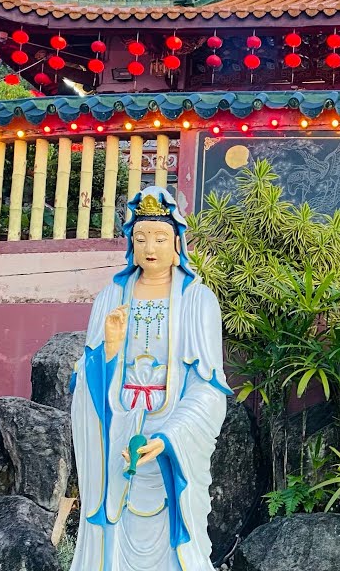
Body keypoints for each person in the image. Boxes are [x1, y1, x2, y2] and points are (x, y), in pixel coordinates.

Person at [69, 187, 230, 571]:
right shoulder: (111, 296)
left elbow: (209, 386)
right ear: (130, 244)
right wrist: (107, 350)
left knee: (172, 525)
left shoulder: (199, 299)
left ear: (178, 244)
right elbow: (85, 375)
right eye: (140, 238)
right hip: (117, 425)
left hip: (170, 424)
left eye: (159, 238)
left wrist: (171, 436)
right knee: (114, 523)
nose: (149, 247)